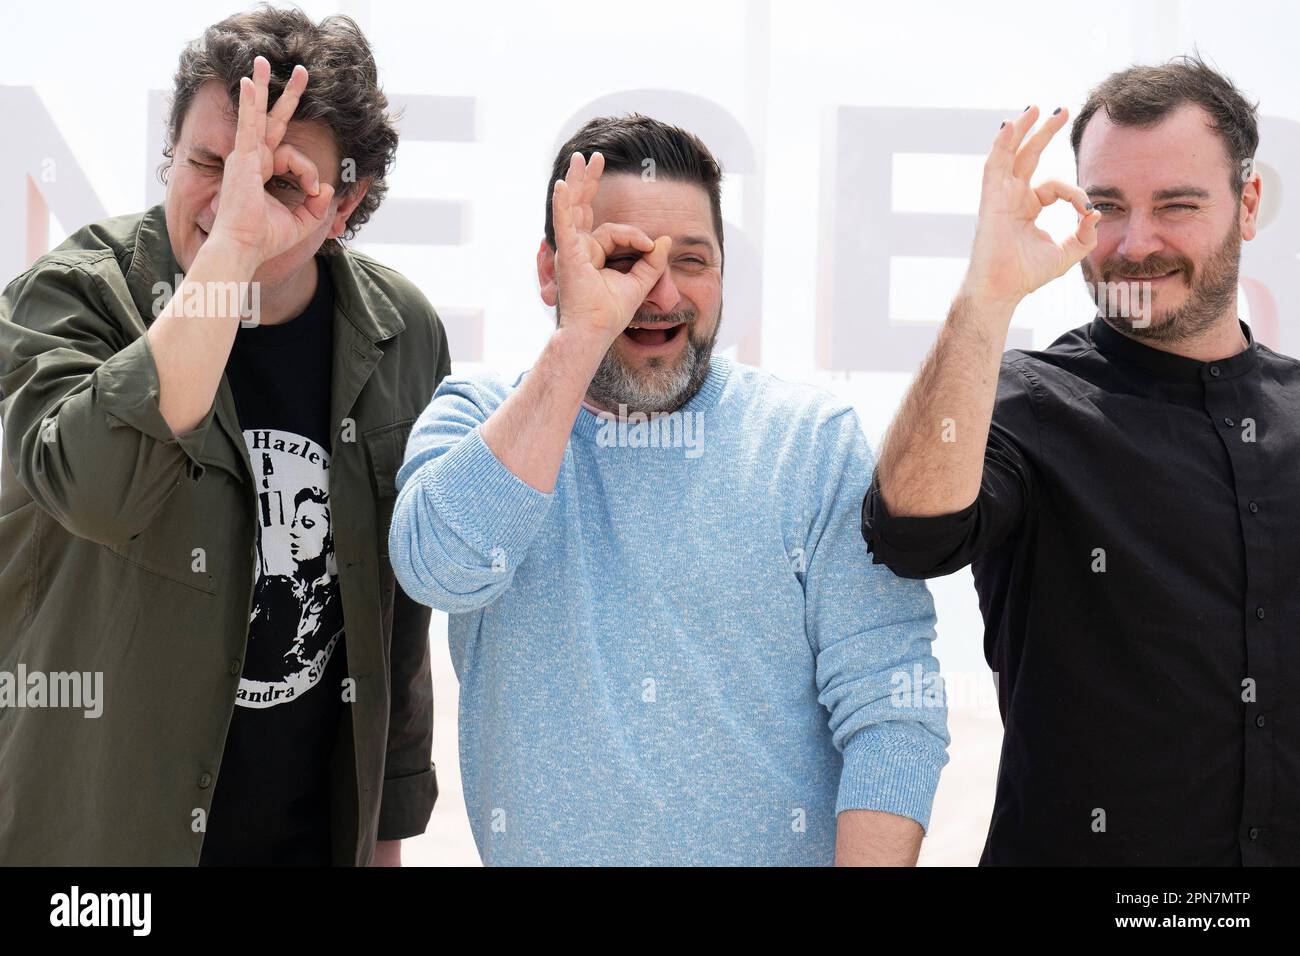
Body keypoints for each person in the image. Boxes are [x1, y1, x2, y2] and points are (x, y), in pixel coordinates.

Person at [389, 114, 949, 866]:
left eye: (693, 259)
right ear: (553, 271)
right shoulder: (479, 416)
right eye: (622, 258)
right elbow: (438, 568)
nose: (660, 292)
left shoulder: (809, 443)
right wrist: (581, 339)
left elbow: (893, 705)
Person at [0, 8, 450, 865]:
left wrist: (385, 829)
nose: (229, 201)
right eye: (209, 164)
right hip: (100, 849)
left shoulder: (402, 331)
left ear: (345, 201)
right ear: (169, 151)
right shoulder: (67, 299)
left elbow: (397, 613)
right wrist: (234, 251)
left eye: (275, 183)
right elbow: (101, 492)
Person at [861, 55, 1297, 864]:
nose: (1136, 244)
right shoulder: (1023, 402)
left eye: (1176, 205)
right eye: (1107, 208)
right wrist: (985, 296)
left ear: (1248, 204)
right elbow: (911, 532)